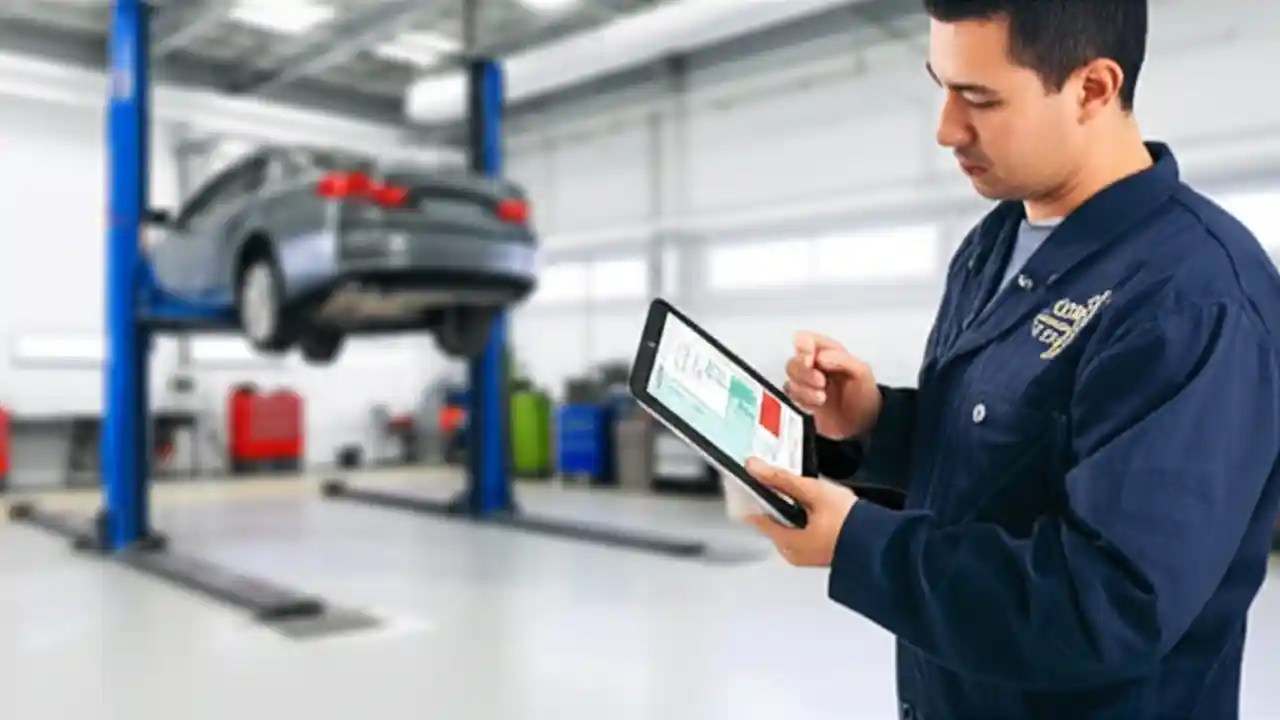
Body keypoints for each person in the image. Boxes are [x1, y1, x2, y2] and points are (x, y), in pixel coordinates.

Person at [743, 1, 1280, 718]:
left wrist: (861, 545)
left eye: (980, 98)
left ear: (1093, 88)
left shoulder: (1194, 298)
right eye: (941, 86)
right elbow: (1005, 455)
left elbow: (1110, 606)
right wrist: (876, 422)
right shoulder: (994, 244)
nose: (945, 129)